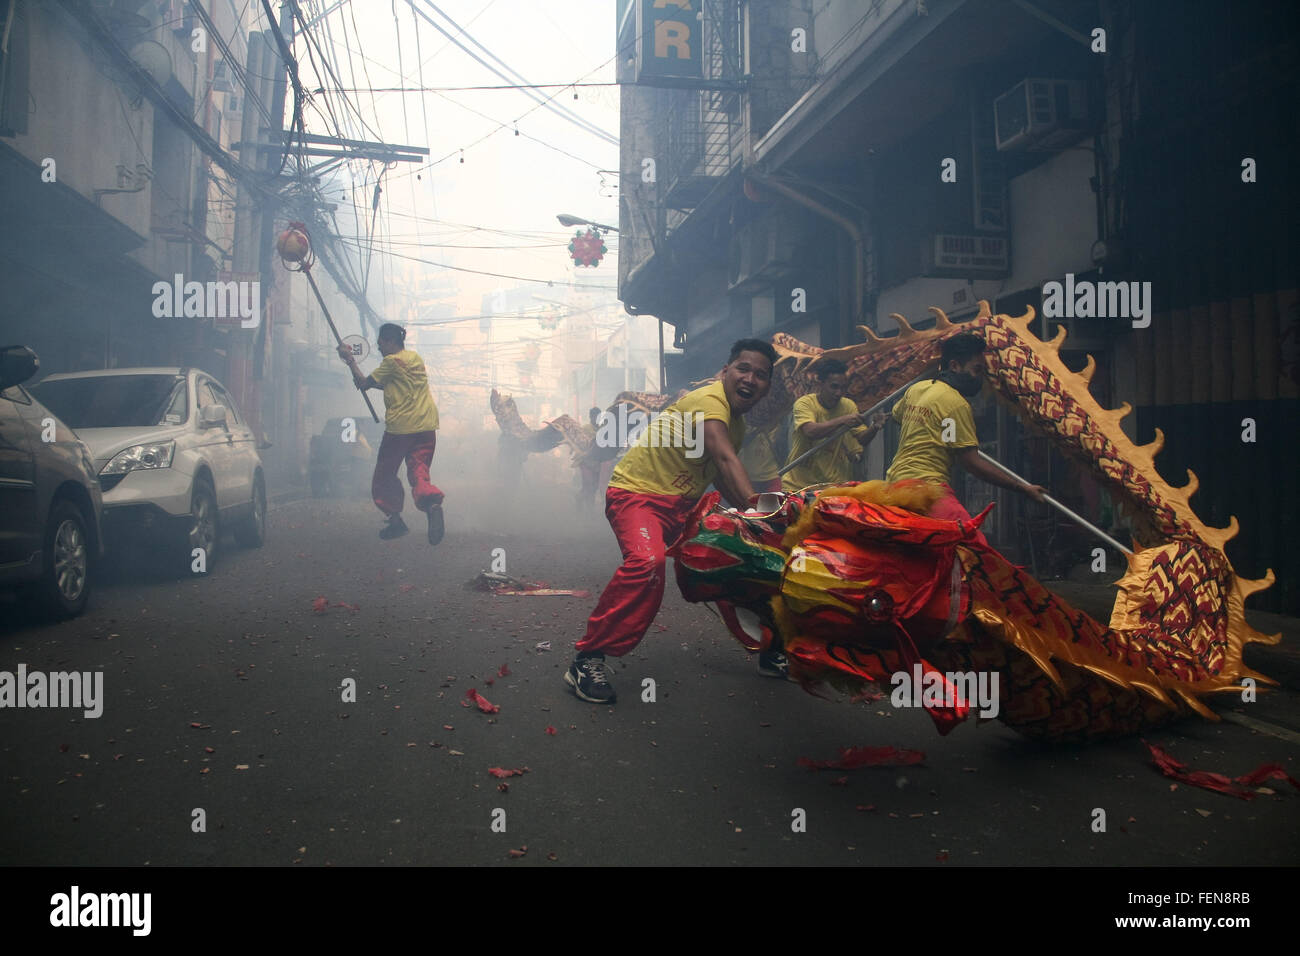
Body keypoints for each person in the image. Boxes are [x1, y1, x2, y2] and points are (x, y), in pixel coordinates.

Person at [565, 339, 778, 704]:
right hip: (636, 495)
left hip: (683, 507)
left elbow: (719, 475)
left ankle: (773, 648)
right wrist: (756, 509)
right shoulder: (710, 402)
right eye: (743, 369)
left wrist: (753, 520)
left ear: (766, 387)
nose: (750, 379)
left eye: (761, 375)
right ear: (725, 372)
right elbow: (727, 461)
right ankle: (587, 659)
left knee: (744, 557)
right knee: (646, 564)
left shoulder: (735, 422)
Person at [885, 332, 1045, 544]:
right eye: (976, 370)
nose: (979, 378)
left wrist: (936, 430)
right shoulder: (956, 404)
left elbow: (898, 417)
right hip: (927, 490)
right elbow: (971, 462)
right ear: (954, 366)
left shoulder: (918, 389)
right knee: (974, 549)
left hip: (894, 486)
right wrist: (1021, 487)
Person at [338, 323, 445, 544]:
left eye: (381, 344)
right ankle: (432, 505)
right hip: (426, 425)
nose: (379, 348)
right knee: (418, 471)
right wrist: (373, 383)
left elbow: (364, 383)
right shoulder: (415, 358)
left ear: (390, 342)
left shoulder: (390, 362)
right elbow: (394, 384)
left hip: (401, 428)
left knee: (384, 475)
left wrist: (349, 360)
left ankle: (395, 520)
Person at [781, 359, 886, 492]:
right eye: (834, 387)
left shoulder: (848, 405)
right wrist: (842, 420)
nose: (838, 393)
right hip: (799, 485)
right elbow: (810, 431)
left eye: (843, 388)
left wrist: (875, 427)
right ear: (821, 384)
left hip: (833, 485)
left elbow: (861, 438)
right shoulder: (805, 403)